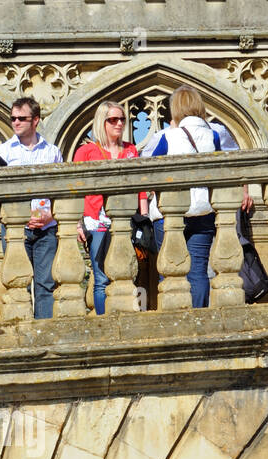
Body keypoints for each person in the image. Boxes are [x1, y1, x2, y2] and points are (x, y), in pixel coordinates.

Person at [143, 85, 253, 308]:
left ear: (175, 110)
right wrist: (244, 189)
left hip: (170, 214)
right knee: (198, 272)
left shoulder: (166, 136)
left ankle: (175, 323)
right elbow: (236, 164)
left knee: (171, 270)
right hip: (203, 210)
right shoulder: (215, 134)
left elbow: (145, 169)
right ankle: (198, 320)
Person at [72, 102, 145, 315]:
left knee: (128, 273)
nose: (119, 123)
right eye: (113, 119)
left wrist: (144, 216)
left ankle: (127, 317)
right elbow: (75, 190)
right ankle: (104, 321)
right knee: (101, 277)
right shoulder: (86, 152)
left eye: (122, 119)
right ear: (101, 122)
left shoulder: (130, 150)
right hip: (96, 221)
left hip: (127, 220)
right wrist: (78, 223)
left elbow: (140, 187)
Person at [0, 96, 63, 319]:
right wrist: (21, 218)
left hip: (46, 227)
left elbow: (60, 190)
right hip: (17, 228)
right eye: (13, 118)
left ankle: (43, 331)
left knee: (46, 284)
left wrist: (49, 215)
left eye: (21, 118)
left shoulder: (51, 152)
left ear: (35, 120)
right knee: (17, 285)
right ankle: (22, 331)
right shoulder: (3, 152)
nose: (15, 122)